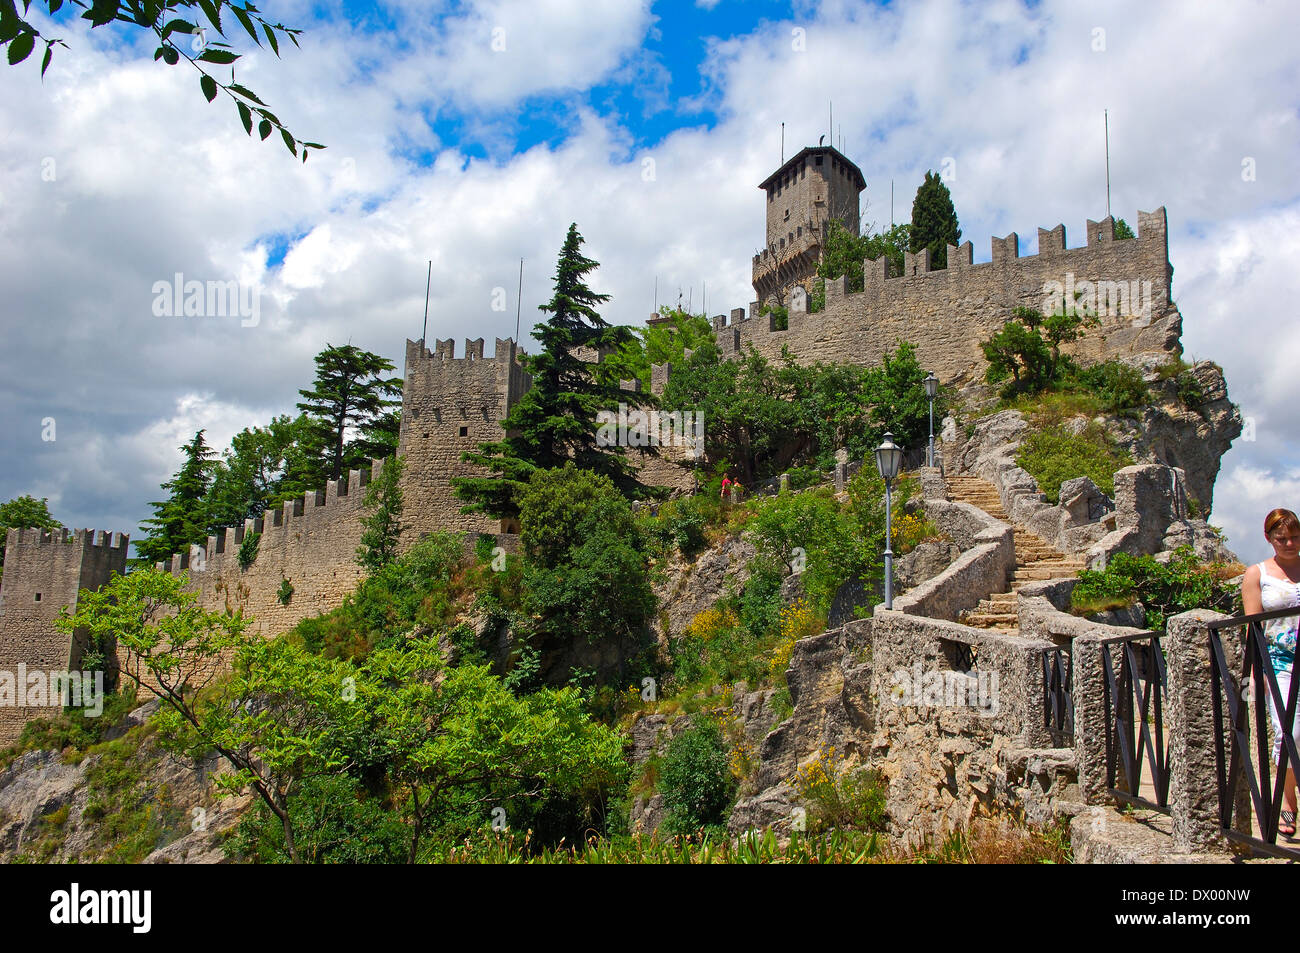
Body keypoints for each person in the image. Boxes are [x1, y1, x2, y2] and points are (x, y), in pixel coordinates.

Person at [1241, 507, 1300, 837]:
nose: (1289, 543)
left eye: (1294, 537)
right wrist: (1255, 670)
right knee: (1289, 732)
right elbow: (1252, 626)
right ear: (1269, 539)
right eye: (1282, 538)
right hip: (1279, 663)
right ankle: (1288, 800)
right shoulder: (1257, 574)